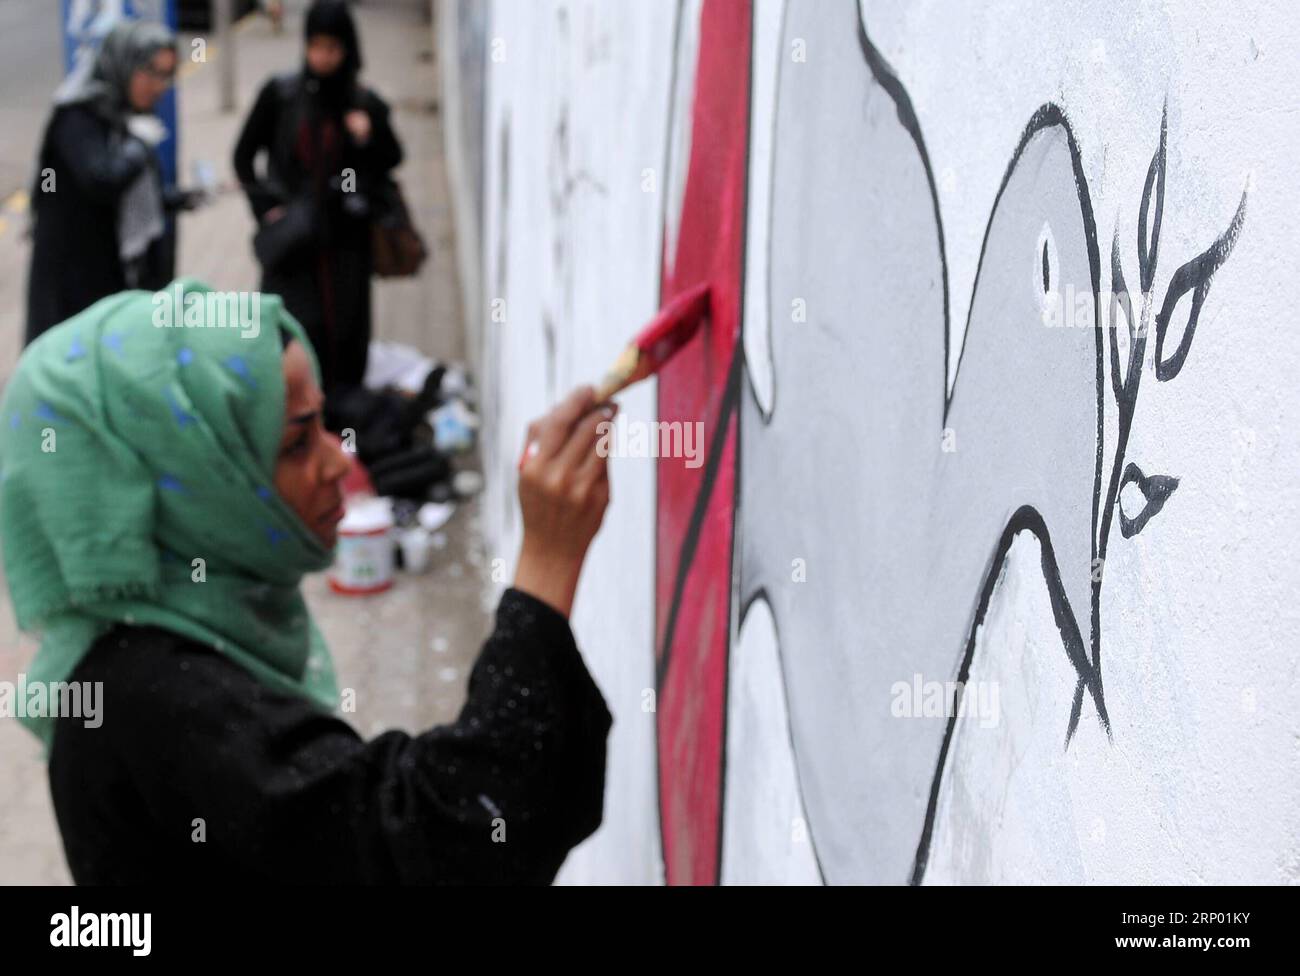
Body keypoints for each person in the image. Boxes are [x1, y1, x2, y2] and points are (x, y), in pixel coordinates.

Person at [0, 280, 614, 884]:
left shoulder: (169, 641)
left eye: (325, 425)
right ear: (193, 476)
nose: (339, 461)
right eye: (297, 441)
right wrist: (546, 565)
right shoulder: (157, 701)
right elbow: (444, 841)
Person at [233, 0, 403, 398]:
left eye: (332, 48)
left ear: (348, 50)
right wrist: (267, 212)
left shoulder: (362, 102)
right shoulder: (281, 94)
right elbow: (243, 156)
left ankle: (343, 429)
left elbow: (391, 160)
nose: (322, 58)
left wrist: (366, 137)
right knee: (290, 336)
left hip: (345, 244)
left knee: (345, 339)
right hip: (294, 242)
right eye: (315, 46)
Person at [25, 21, 193, 345]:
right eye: (150, 72)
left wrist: (176, 199)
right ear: (123, 63)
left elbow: (132, 194)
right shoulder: (77, 115)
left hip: (107, 274)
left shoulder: (125, 114)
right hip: (71, 280)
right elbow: (100, 179)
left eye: (167, 75)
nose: (159, 85)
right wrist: (139, 148)